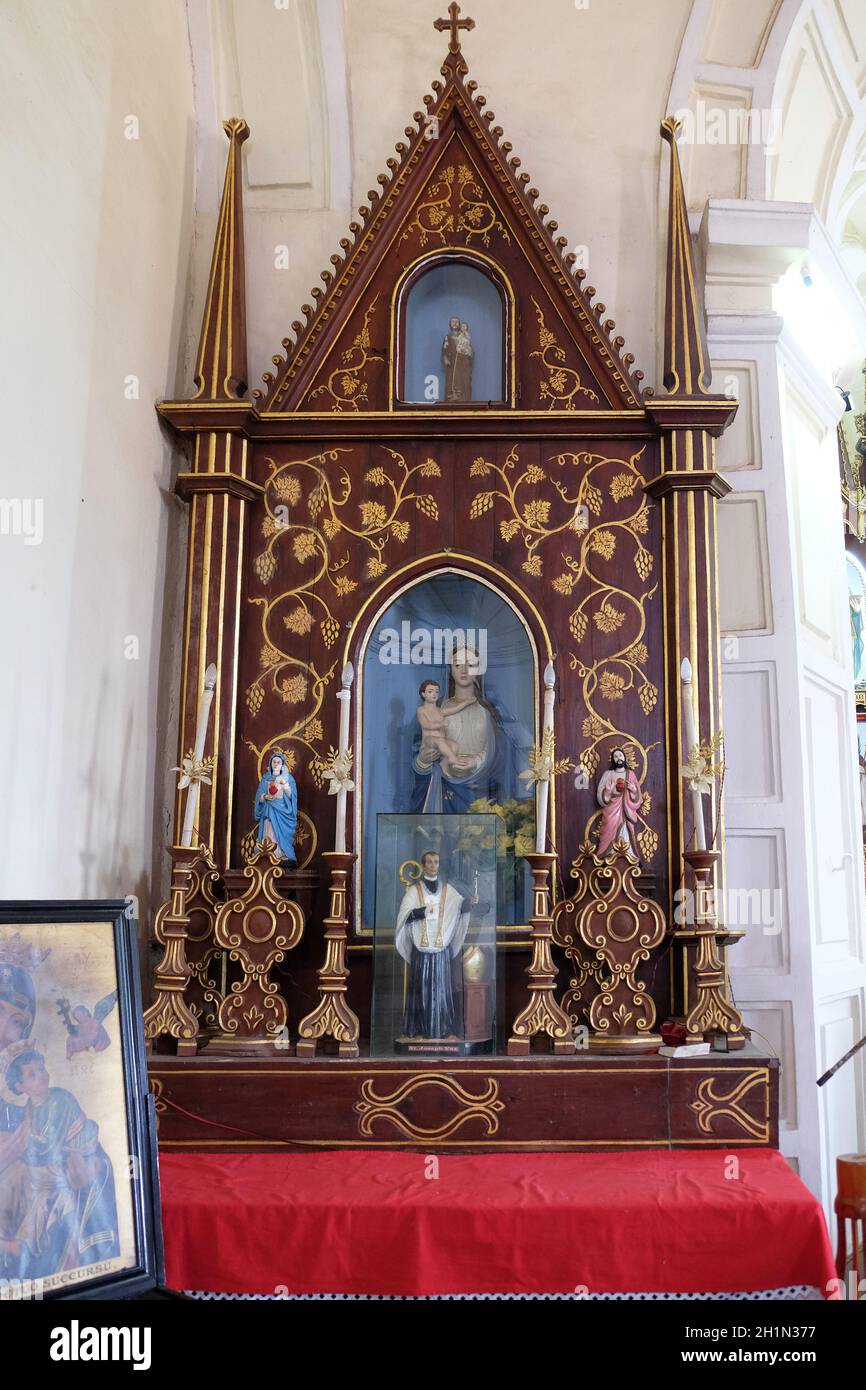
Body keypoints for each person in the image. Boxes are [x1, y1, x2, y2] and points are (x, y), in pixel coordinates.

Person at [0, 1049, 119, 1279]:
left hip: (75, 1158)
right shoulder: (31, 1106)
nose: (41, 1075)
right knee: (13, 1176)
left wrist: (22, 1141)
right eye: (32, 1074)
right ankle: (10, 1237)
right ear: (20, 1086)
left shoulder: (60, 1099)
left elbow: (48, 1144)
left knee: (30, 1180)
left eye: (41, 1068)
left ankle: (23, 1244)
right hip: (54, 1159)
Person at [395, 852, 474, 1039]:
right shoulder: (414, 891)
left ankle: (441, 1028)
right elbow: (404, 915)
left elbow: (459, 907)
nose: (433, 865)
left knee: (441, 989)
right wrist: (421, 912)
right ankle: (420, 1029)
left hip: (440, 949)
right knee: (421, 989)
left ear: (439, 865)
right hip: (421, 950)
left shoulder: (448, 890)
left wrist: (469, 903)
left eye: (436, 862)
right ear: (423, 865)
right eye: (429, 862)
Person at [254, 750, 298, 865]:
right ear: (270, 763)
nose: (276, 764)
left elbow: (292, 796)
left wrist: (285, 785)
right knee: (269, 830)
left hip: (282, 810)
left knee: (281, 833)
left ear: (282, 764)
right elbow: (259, 796)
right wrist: (264, 797)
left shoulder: (288, 778)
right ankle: (268, 854)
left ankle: (281, 854)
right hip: (269, 809)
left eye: (278, 762)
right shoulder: (266, 778)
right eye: (274, 762)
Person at [596, 748, 642, 857]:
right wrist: (608, 791)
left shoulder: (630, 774)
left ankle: (628, 855)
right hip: (612, 809)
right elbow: (600, 795)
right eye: (616, 756)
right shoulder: (608, 774)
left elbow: (638, 796)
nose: (618, 758)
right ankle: (609, 854)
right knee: (609, 828)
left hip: (626, 810)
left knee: (625, 829)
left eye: (620, 755)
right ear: (613, 760)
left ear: (624, 758)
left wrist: (633, 790)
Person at [415, 679, 466, 771]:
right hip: (429, 741)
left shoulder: (440, 711)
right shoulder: (421, 710)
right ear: (423, 694)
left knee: (454, 745)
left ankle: (444, 764)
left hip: (441, 743)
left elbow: (456, 708)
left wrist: (467, 702)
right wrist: (441, 724)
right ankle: (453, 758)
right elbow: (426, 725)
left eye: (436, 691)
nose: (434, 694)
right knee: (440, 741)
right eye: (430, 691)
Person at [442, 315, 474, 400]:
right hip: (452, 363)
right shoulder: (448, 337)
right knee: (451, 380)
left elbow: (469, 349)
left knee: (463, 381)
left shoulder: (464, 336)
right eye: (453, 321)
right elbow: (444, 350)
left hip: (463, 364)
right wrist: (445, 358)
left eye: (457, 322)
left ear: (459, 324)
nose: (455, 323)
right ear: (450, 324)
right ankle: (452, 396)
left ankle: (463, 398)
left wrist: (469, 353)